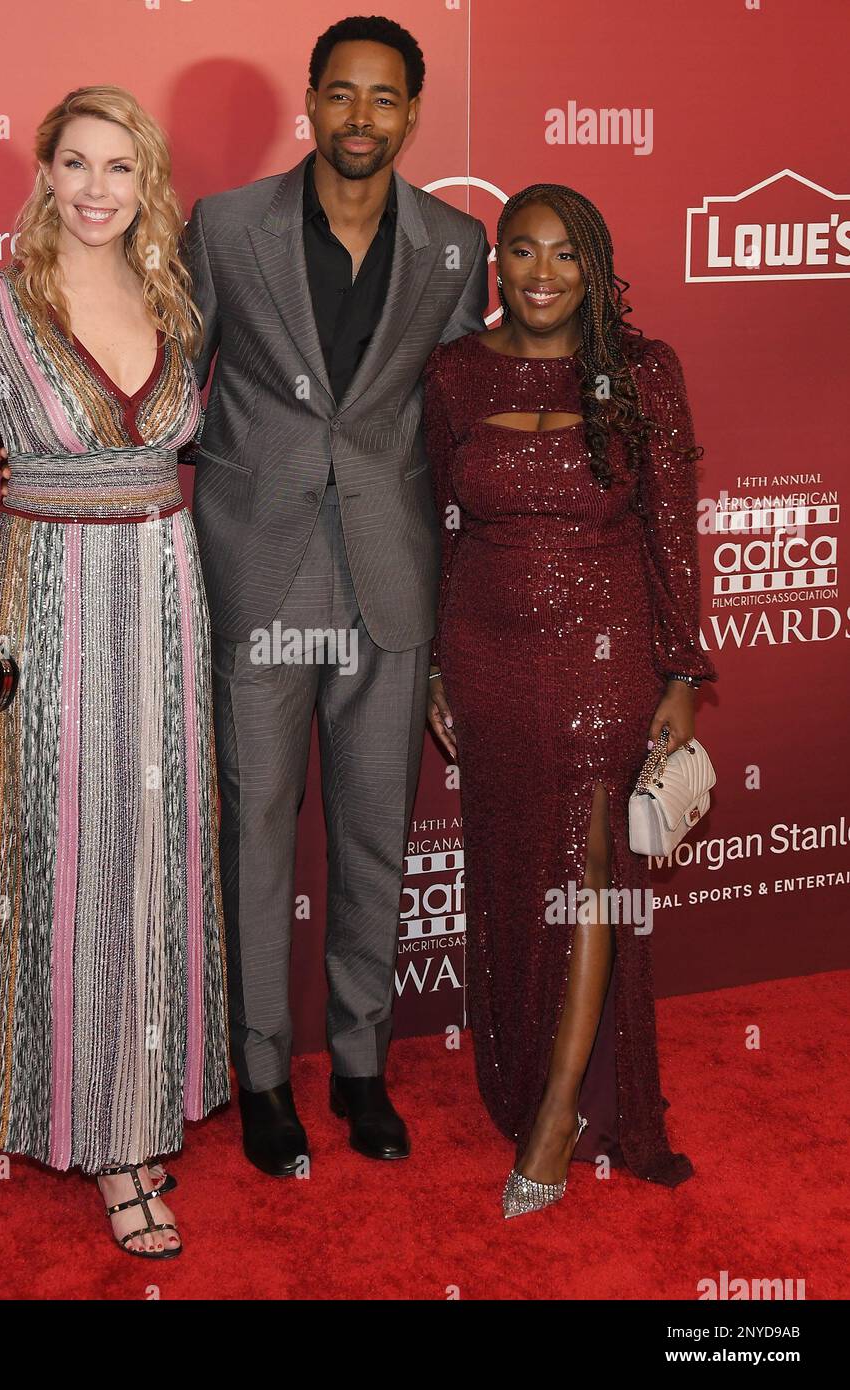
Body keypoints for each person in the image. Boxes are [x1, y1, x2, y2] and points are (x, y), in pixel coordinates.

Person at [0, 86, 228, 1258]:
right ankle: (100, 1142)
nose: (97, 189)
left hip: (163, 592)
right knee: (67, 868)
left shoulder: (178, 297)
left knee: (155, 864)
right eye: (76, 164)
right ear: (45, 173)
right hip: (43, 600)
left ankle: (145, 1117)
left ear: (147, 183)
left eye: (121, 168)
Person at [182, 15, 489, 1175]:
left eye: (385, 99)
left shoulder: (457, 245)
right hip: (258, 575)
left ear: (412, 112)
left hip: (388, 581)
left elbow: (457, 423)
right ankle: (260, 1072)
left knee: (375, 835)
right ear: (311, 101)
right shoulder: (224, 226)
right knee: (255, 832)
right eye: (342, 95)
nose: (361, 118)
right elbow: (175, 378)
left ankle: (361, 1063)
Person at [423, 184, 715, 1217]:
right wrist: (429, 670)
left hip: (605, 660)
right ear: (495, 264)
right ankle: (526, 1069)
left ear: (593, 265)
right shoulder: (454, 374)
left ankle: (555, 1116)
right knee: (515, 872)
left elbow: (669, 532)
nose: (539, 273)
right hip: (486, 658)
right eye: (518, 252)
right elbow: (440, 529)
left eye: (562, 254)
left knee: (588, 867)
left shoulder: (642, 372)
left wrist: (681, 673)